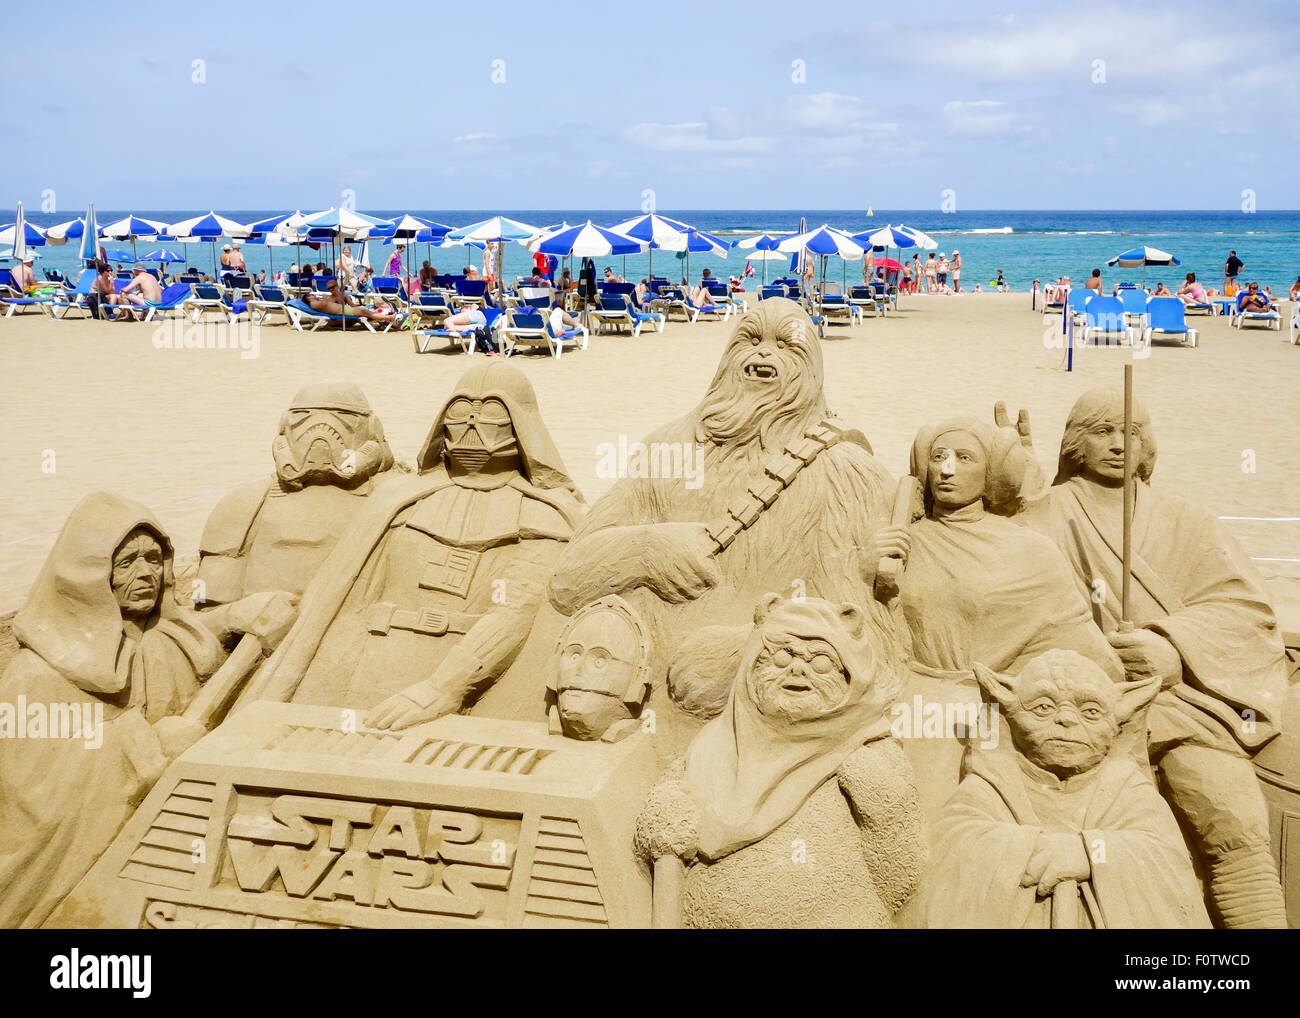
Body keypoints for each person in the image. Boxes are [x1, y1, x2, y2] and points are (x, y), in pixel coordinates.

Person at [1016, 389, 1290, 927]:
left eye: (1132, 432)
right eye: (1103, 431)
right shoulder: (1048, 513)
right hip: (1079, 705)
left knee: (1233, 820)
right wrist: (1012, 488)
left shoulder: (1186, 520)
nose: (1119, 444)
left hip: (1178, 707)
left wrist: (1172, 644)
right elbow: (1003, 576)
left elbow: (1248, 609)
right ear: (1074, 442)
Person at [0, 492, 296, 927]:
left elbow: (200, 650)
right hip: (56, 871)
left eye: (154, 559)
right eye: (126, 563)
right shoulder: (37, 673)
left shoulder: (163, 643)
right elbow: (38, 798)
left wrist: (238, 615)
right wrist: (146, 747)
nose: (146, 574)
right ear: (88, 576)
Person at [240, 363, 586, 721]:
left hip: (453, 675)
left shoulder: (546, 514)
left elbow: (514, 612)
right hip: (365, 664)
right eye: (461, 410)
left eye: (492, 411)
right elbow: (339, 599)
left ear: (520, 422)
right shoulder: (400, 499)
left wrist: (443, 689)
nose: (472, 425)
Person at [864, 414, 1122, 821]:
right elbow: (854, 624)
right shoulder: (904, 542)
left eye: (964, 458)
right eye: (938, 457)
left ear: (991, 475)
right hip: (906, 698)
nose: (946, 469)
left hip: (995, 708)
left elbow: (1074, 642)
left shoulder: (1030, 551)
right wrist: (864, 571)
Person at [306, 279, 395, 325]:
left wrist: (361, 305)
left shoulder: (343, 294)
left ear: (337, 286)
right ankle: (388, 318)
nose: (331, 290)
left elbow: (352, 304)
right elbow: (331, 310)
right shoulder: (329, 299)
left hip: (347, 311)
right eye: (329, 289)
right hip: (340, 318)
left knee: (365, 311)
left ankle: (383, 319)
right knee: (364, 313)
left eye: (332, 287)